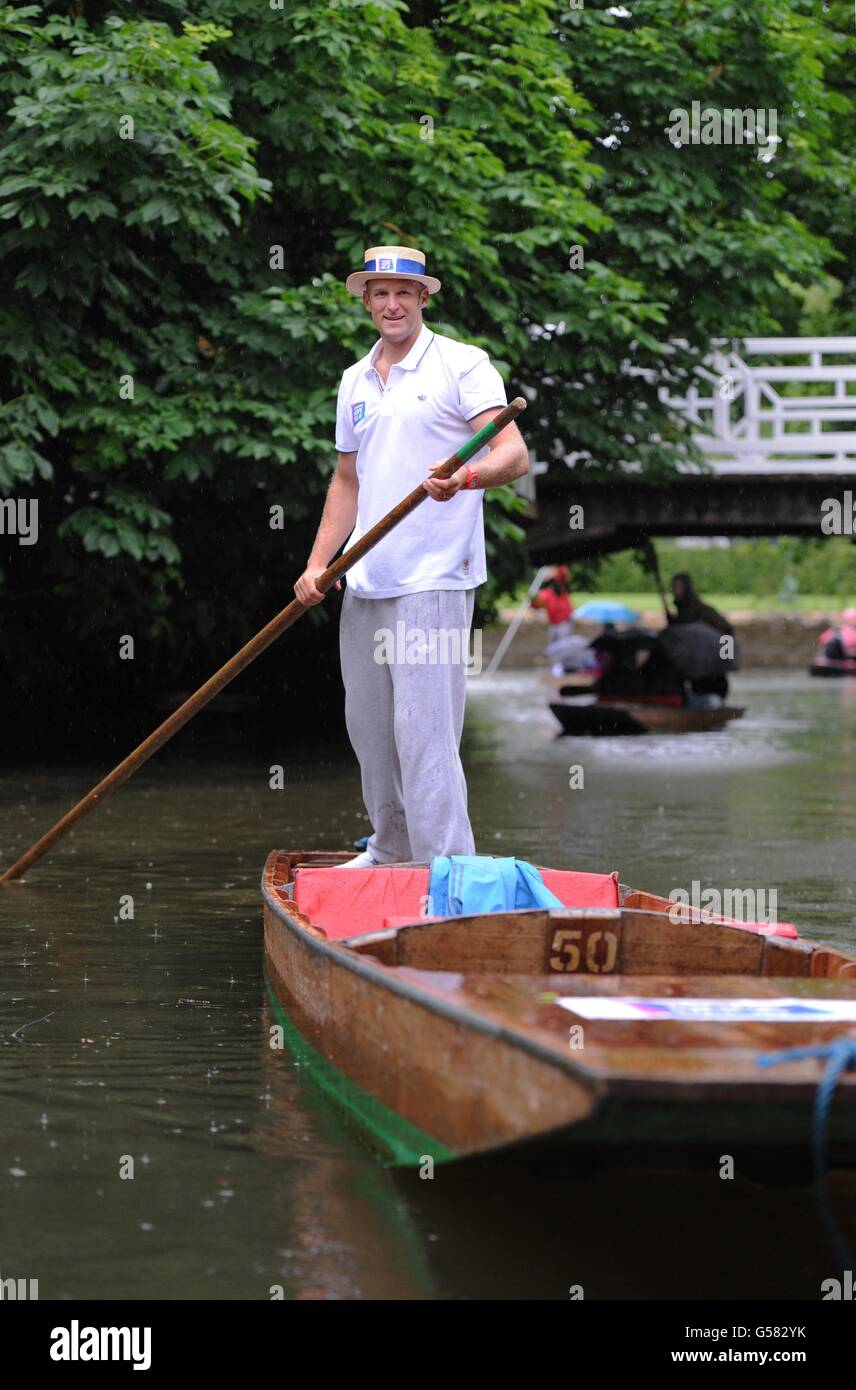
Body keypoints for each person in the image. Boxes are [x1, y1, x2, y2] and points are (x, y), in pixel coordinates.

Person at [294, 245, 528, 867]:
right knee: (370, 735)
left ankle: (447, 866)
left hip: (435, 578)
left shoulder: (462, 364)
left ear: (424, 298)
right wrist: (320, 565)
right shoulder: (354, 380)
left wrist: (468, 479)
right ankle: (391, 848)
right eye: (380, 293)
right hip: (367, 578)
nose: (392, 304)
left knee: (425, 736)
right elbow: (349, 481)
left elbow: (513, 452)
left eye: (405, 293)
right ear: (366, 301)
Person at [668, 572, 733, 703]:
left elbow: (727, 630)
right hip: (693, 672)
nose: (675, 591)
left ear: (687, 588)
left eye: (679, 587)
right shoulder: (682, 613)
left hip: (711, 674)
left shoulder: (701, 610)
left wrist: (724, 660)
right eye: (674, 587)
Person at [532, 566, 573, 646]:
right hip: (554, 622)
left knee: (564, 644)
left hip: (564, 621)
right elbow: (537, 605)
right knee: (553, 645)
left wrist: (554, 571)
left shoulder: (559, 584)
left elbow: (563, 573)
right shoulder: (544, 592)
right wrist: (533, 600)